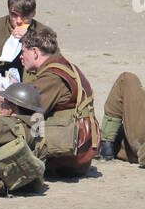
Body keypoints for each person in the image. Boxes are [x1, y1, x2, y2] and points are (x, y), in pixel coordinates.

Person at [20, 24, 99, 174]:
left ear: (35, 52)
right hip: (78, 154)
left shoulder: (52, 77)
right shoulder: (64, 66)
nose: (21, 56)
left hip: (68, 161)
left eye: (23, 51)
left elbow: (27, 114)